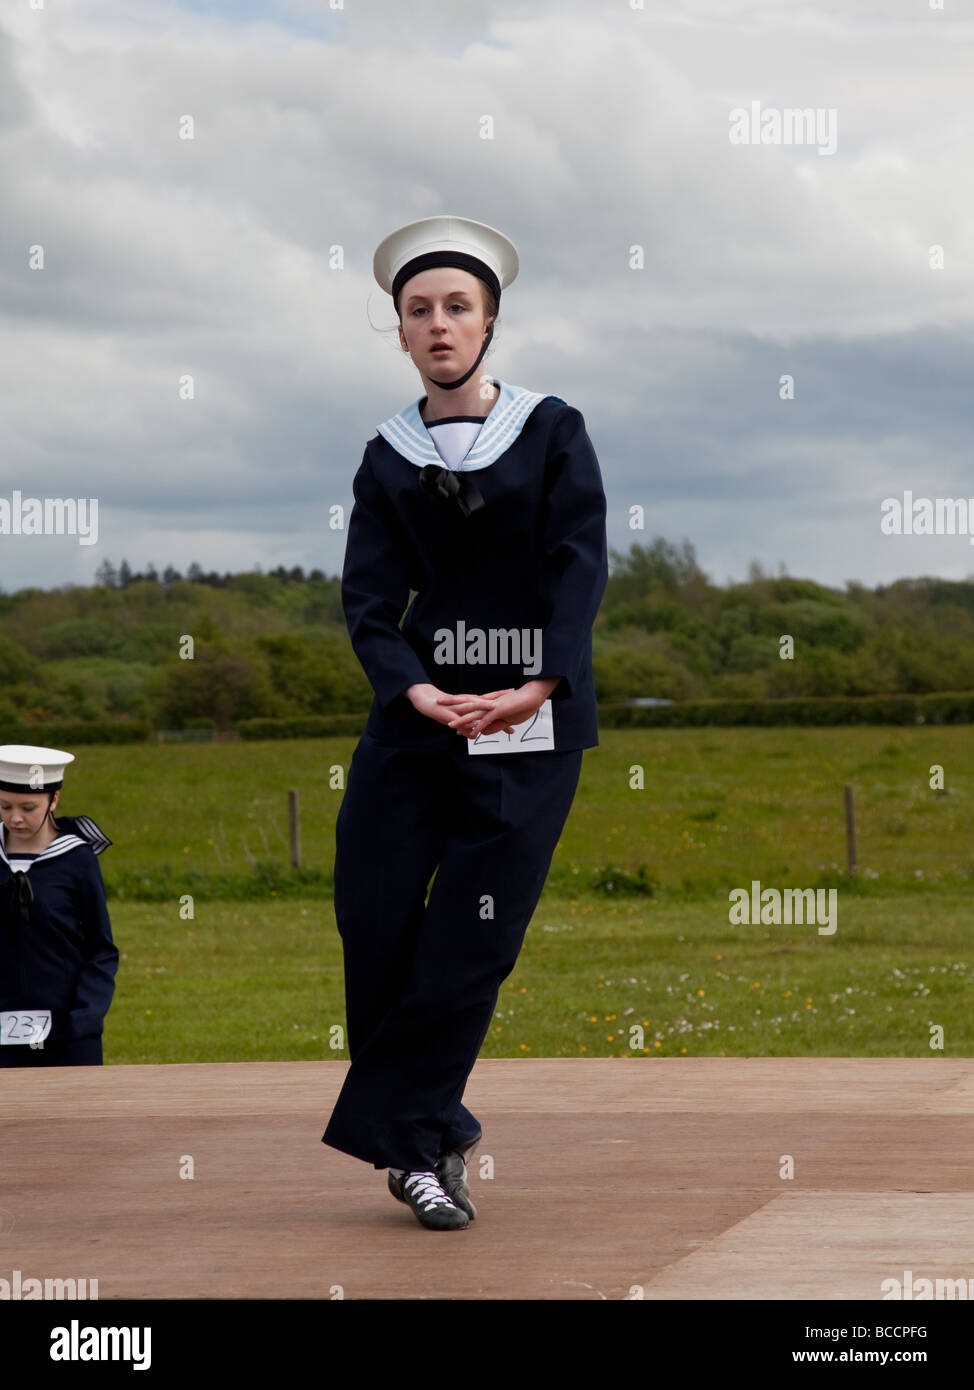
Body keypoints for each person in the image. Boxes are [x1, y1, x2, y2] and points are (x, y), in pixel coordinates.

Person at [321, 215, 608, 1229]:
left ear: (489, 322)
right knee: (374, 918)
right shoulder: (384, 457)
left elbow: (578, 565)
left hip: (529, 721)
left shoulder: (551, 431)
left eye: (456, 307)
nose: (438, 324)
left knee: (468, 940)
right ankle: (431, 1119)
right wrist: (412, 688)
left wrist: (539, 681)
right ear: (398, 332)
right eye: (417, 311)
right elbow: (368, 601)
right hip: (417, 721)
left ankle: (413, 1151)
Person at [0, 744, 118, 1067]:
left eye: (28, 807)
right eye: (4, 806)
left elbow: (101, 950)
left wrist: (85, 1017)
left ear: (54, 800)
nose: (15, 818)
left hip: (69, 1037)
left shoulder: (78, 860)